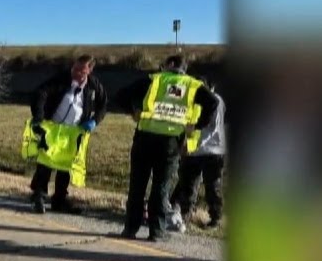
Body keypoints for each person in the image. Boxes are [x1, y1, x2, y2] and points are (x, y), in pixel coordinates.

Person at [118, 54, 219, 240]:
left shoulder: (153, 79)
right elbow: (214, 103)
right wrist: (197, 125)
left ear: (170, 64)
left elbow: (121, 95)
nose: (161, 66)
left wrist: (134, 111)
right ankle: (157, 232)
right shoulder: (193, 85)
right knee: (161, 187)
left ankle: (130, 229)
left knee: (137, 185)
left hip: (144, 138)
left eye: (163, 63)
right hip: (171, 142)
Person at [28, 55, 108, 214]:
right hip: (53, 128)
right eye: (75, 68)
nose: (76, 73)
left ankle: (59, 200)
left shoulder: (93, 85)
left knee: (65, 166)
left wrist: (94, 121)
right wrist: (38, 117)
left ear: (89, 70)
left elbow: (103, 104)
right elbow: (40, 93)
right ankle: (39, 195)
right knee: (45, 162)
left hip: (73, 132)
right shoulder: (61, 79)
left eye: (81, 71)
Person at [170, 79, 226, 230]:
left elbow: (213, 128)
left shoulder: (216, 102)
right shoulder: (193, 100)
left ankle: (215, 217)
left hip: (213, 150)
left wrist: (192, 144)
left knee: (212, 186)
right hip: (194, 150)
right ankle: (184, 215)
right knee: (188, 184)